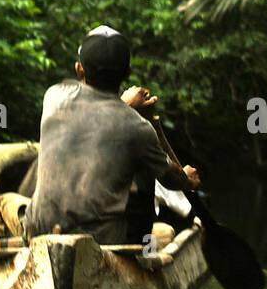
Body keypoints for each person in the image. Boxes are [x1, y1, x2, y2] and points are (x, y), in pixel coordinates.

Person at [21, 25, 200, 245]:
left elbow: (94, 119)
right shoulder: (137, 127)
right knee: (144, 165)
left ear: (79, 70)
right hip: (99, 241)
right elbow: (172, 181)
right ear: (126, 74)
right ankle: (139, 251)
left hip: (38, 229)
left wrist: (126, 107)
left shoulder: (54, 97)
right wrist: (187, 180)